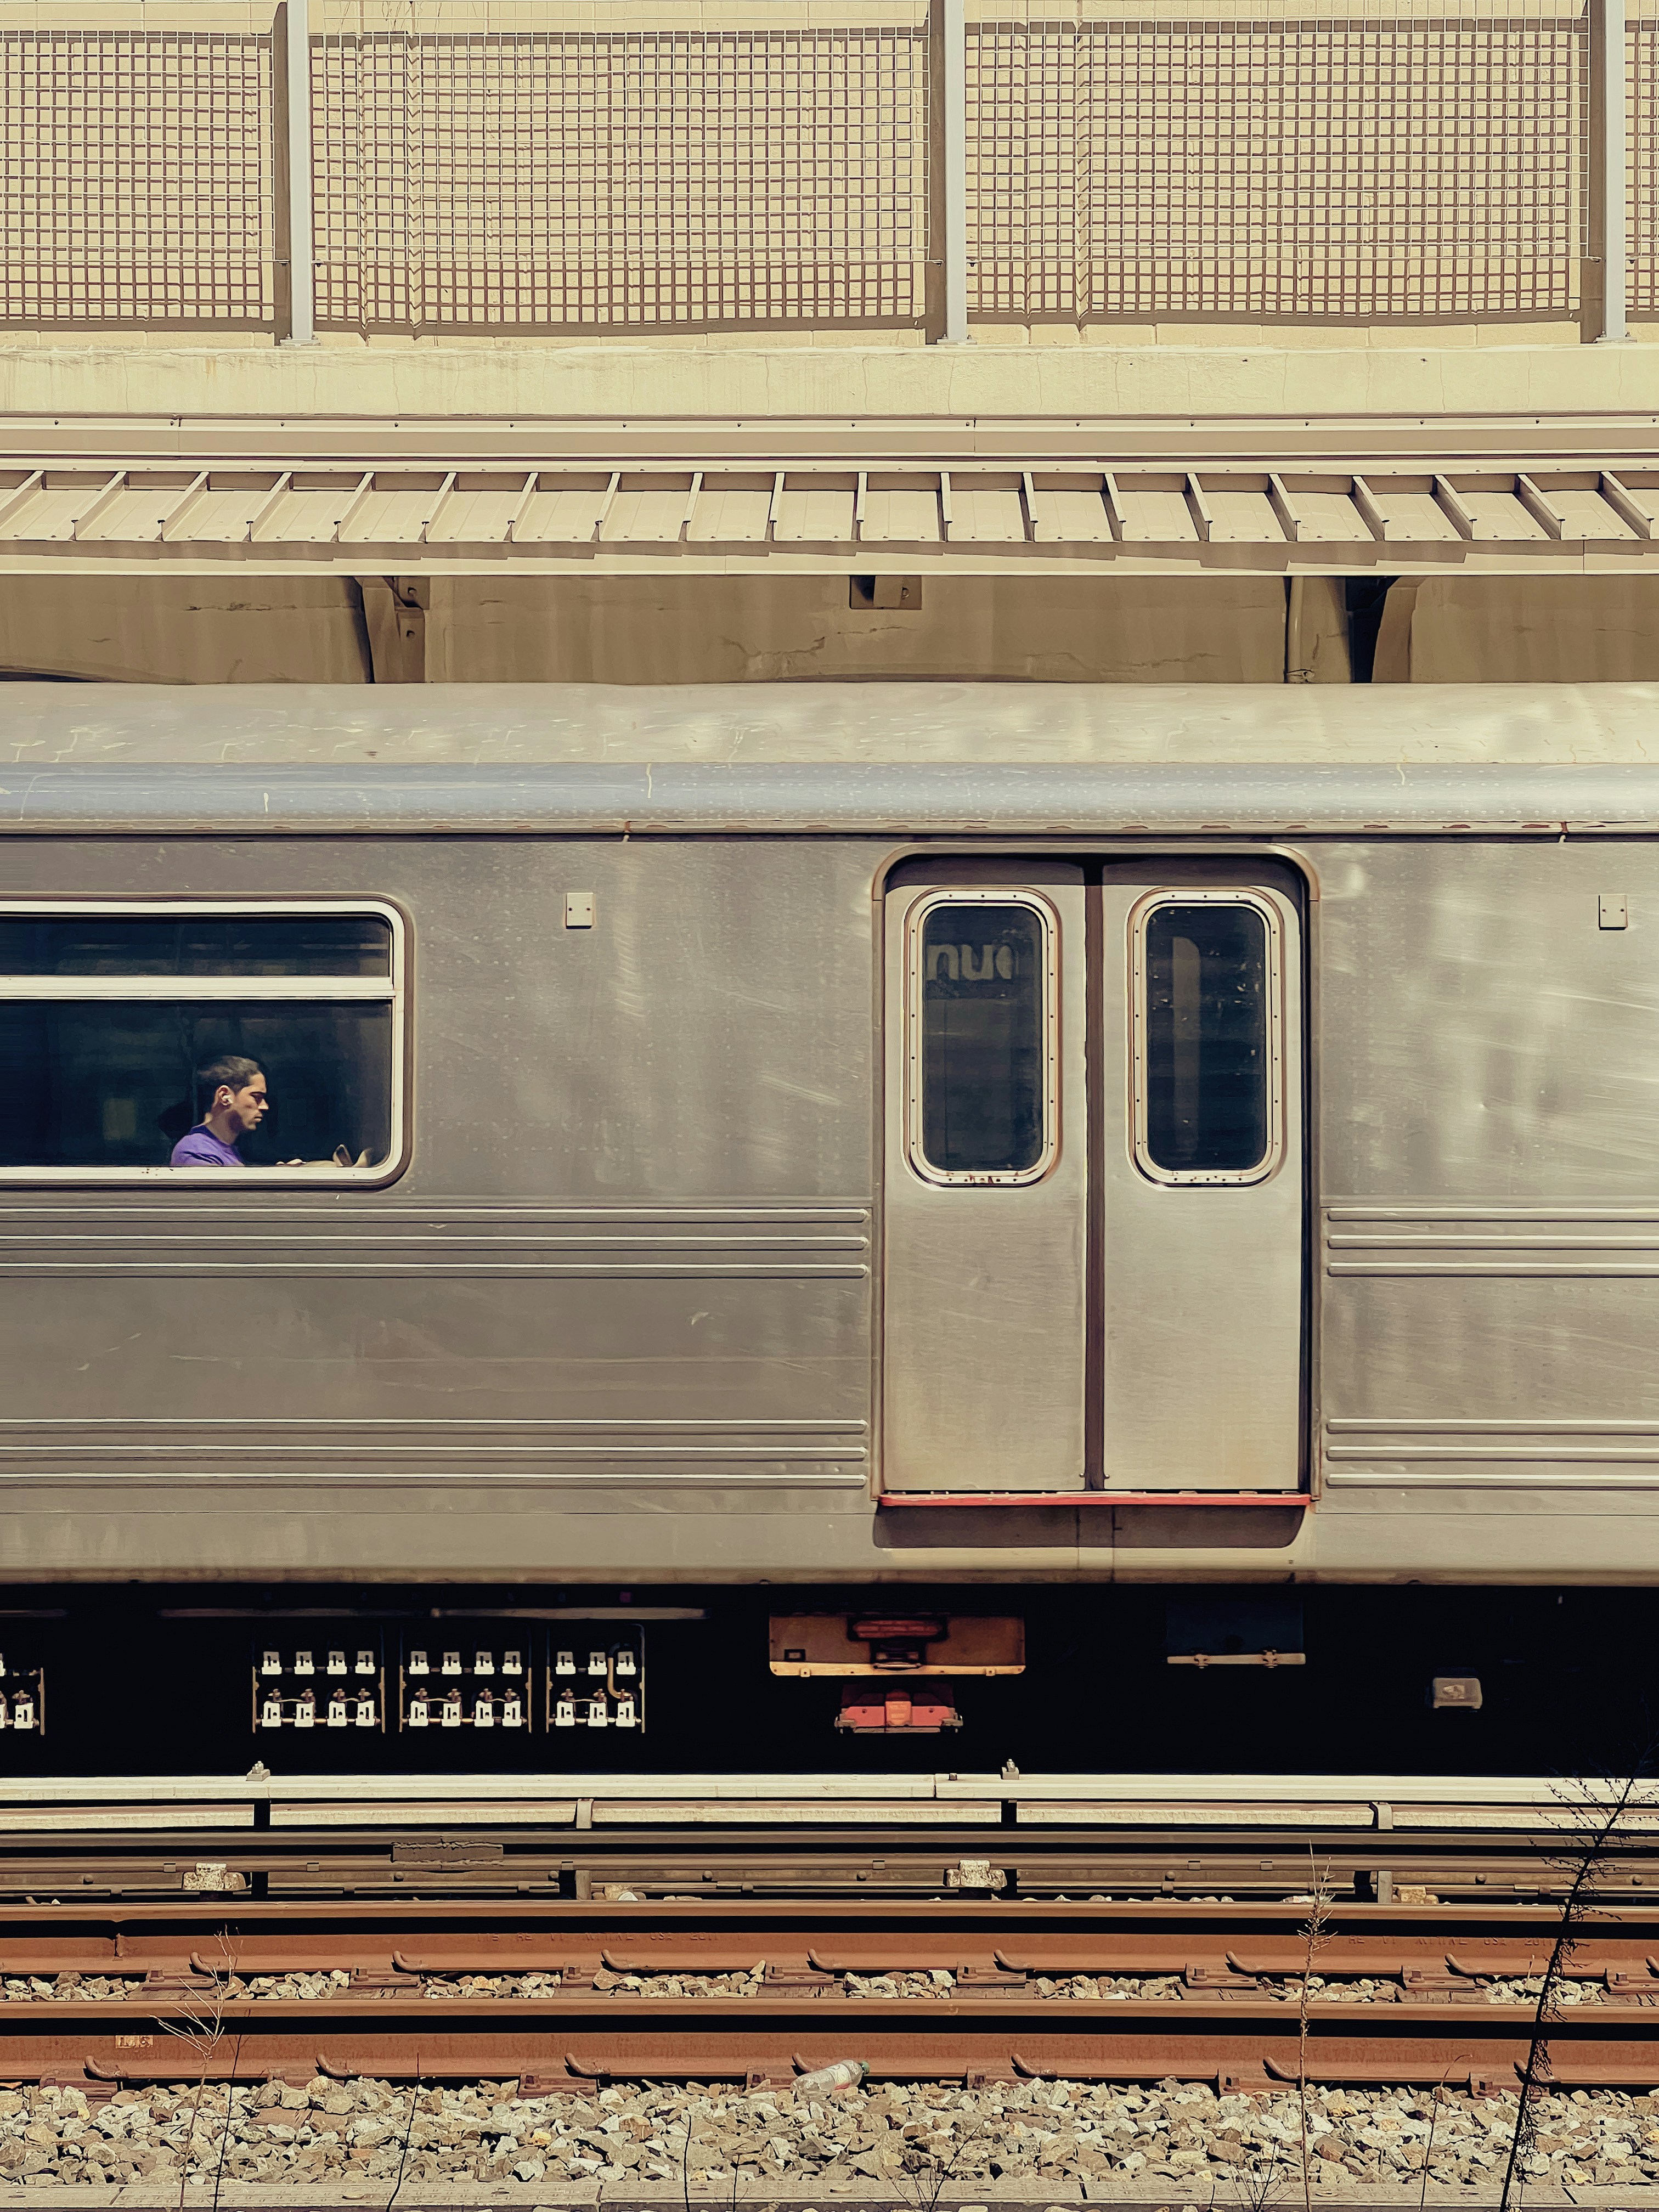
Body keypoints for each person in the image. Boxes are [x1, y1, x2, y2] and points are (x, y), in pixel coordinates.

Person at [169, 1056, 268, 1167]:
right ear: (224, 1096)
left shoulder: (221, 1149)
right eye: (256, 1097)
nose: (265, 1106)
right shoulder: (197, 1152)